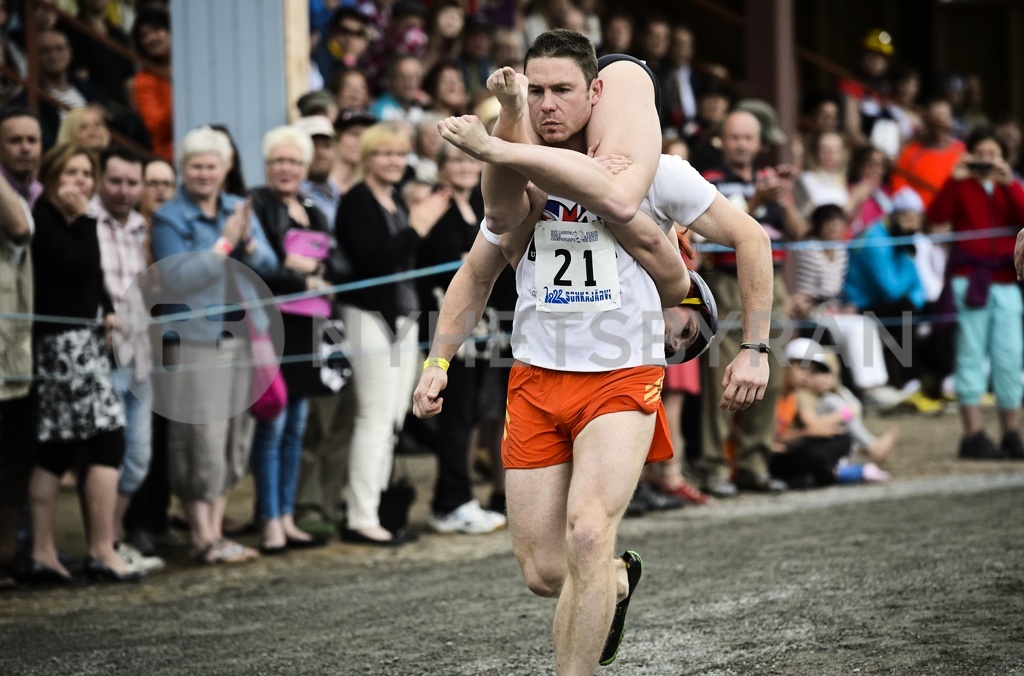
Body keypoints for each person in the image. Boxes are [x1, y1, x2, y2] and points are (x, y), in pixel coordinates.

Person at [429, 30, 772, 671]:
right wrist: (437, 361)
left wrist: (754, 347)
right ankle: (612, 582)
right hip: (535, 378)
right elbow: (474, 275)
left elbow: (751, 239)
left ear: (595, 93)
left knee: (588, 532)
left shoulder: (652, 173)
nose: (548, 104)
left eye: (563, 90)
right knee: (543, 570)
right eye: (536, 91)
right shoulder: (520, 171)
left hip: (621, 375)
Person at [150, 126, 278, 564]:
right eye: (195, 166)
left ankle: (217, 532)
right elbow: (177, 279)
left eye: (212, 165)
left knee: (234, 438)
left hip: (240, 336)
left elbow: (268, 264)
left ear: (225, 169)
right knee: (198, 438)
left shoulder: (237, 207)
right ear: (183, 170)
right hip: (193, 343)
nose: (203, 173)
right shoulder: (169, 217)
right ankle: (201, 537)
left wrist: (250, 242)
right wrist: (224, 242)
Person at [334, 122, 450, 546]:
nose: (394, 161)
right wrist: (416, 228)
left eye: (400, 154)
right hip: (369, 317)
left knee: (393, 417)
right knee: (375, 416)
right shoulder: (357, 201)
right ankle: (361, 516)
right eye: (384, 153)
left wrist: (415, 224)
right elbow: (372, 262)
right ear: (367, 157)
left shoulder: (394, 201)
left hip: (402, 319)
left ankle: (375, 510)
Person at [28, 144, 140, 584]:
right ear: (52, 176)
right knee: (103, 440)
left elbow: (91, 282)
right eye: (70, 173)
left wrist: (109, 310)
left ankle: (56, 551)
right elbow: (81, 266)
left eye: (85, 174)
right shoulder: (49, 220)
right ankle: (95, 549)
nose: (79, 182)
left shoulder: (69, 221)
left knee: (60, 447)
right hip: (63, 346)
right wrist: (89, 220)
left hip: (84, 340)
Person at [249, 125, 349, 553]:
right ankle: (269, 519)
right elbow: (264, 266)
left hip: (313, 326)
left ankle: (288, 516)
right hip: (274, 325)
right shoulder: (256, 205)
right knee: (273, 425)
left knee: (298, 427)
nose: (286, 169)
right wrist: (307, 272)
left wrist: (310, 270)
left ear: (306, 167)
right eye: (278, 161)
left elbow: (341, 264)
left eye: (293, 161)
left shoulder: (315, 208)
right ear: (267, 166)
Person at [697, 109, 807, 498]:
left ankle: (754, 466)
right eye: (735, 137)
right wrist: (757, 200)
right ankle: (713, 468)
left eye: (748, 138)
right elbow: (719, 231)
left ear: (759, 144)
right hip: (727, 283)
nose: (742, 144)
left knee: (771, 375)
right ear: (722, 142)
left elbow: (799, 233)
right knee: (720, 378)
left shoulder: (770, 182)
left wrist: (785, 198)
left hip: (773, 284)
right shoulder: (708, 181)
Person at [415, 142, 507, 534]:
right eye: (456, 160)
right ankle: (449, 501)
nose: (466, 167)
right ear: (440, 167)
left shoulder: (482, 208)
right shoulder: (435, 206)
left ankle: (461, 496)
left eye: (473, 159)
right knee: (454, 416)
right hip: (448, 326)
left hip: (482, 328)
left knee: (470, 415)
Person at [929, 129, 1024, 460]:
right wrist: (954, 179)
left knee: (1010, 357)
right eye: (980, 154)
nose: (986, 160)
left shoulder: (1009, 185)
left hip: (1007, 279)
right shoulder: (961, 184)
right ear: (969, 156)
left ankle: (1012, 432)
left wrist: (1009, 183)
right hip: (969, 279)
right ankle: (974, 434)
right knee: (970, 354)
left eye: (992, 153)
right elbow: (936, 216)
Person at [92, 145, 164, 575]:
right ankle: (103, 545)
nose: (123, 190)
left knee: (137, 458)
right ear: (102, 180)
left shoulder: (142, 228)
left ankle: (113, 539)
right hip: (101, 357)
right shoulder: (88, 224)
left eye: (131, 183)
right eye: (115, 181)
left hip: (140, 356)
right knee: (105, 456)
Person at [0, 112, 35, 590]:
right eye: (15, 141)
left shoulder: (27, 194)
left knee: (12, 456)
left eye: (32, 140)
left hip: (15, 347)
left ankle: (6, 553)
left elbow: (20, 227)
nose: (26, 147)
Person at [891, 99, 966, 209]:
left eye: (944, 116)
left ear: (951, 121)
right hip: (918, 216)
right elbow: (898, 185)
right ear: (926, 121)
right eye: (935, 117)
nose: (939, 121)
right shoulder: (911, 152)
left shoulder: (962, 151)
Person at [62, 0, 135, 106]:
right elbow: (81, 77)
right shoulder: (72, 29)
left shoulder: (118, 35)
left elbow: (128, 80)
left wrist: (132, 113)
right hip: (93, 109)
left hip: (120, 110)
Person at [131, 8, 173, 163]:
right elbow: (156, 128)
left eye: (156, 30)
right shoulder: (144, 80)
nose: (151, 38)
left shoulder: (192, 66)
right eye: (144, 35)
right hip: (169, 156)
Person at [295, 115, 343, 226]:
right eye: (313, 145)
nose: (321, 153)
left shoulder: (335, 189)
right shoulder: (293, 195)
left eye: (327, 145)